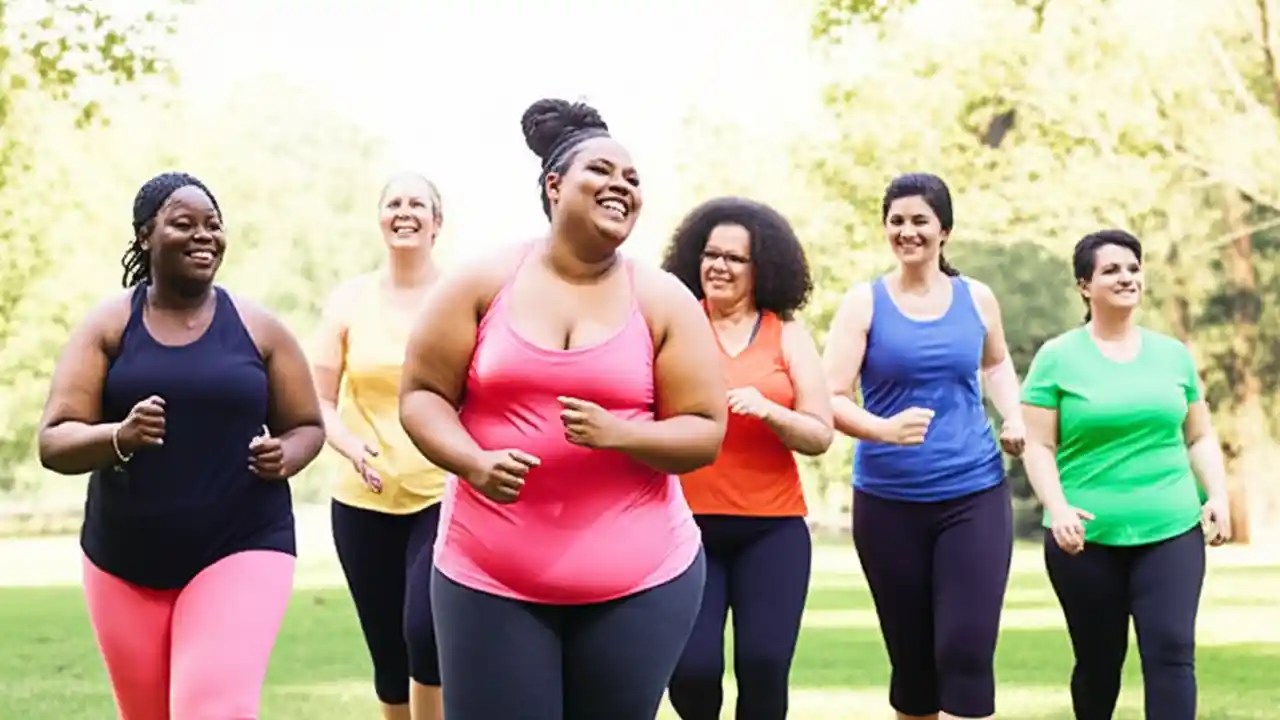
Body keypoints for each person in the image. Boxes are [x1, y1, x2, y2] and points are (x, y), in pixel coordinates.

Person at [397, 97, 726, 720]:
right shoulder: (480, 283)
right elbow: (420, 395)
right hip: (488, 579)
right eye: (601, 171)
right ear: (554, 186)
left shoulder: (662, 299)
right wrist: (472, 461)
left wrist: (620, 434)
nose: (620, 186)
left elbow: (706, 432)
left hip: (640, 582)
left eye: (632, 179)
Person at [36, 171, 325, 719]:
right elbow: (54, 440)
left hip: (242, 544)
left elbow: (307, 423)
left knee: (212, 710)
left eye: (213, 225)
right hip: (124, 559)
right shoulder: (109, 325)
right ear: (146, 235)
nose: (204, 236)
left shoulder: (259, 328)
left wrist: (286, 454)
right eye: (183, 223)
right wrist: (118, 436)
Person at [821, 172, 1026, 720]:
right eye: (897, 221)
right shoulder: (863, 304)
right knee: (912, 665)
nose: (907, 231)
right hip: (888, 502)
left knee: (965, 651)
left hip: (973, 494)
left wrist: (1014, 415)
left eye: (920, 220)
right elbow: (830, 396)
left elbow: (997, 362)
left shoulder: (976, 298)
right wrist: (882, 430)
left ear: (944, 230)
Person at [1020, 229, 1232, 720]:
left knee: (1173, 652)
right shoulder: (1058, 357)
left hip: (1171, 528)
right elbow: (1038, 445)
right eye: (1112, 270)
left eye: (1134, 268)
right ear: (1083, 285)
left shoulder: (1172, 355)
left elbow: (1198, 435)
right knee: (1099, 663)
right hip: (1085, 537)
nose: (1126, 277)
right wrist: (1057, 508)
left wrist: (1217, 494)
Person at [659, 197, 833, 720]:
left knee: (762, 664)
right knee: (691, 671)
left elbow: (819, 434)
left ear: (763, 269)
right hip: (687, 528)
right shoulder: (674, 326)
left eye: (735, 258)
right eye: (711, 254)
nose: (719, 266)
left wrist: (769, 412)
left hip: (771, 529)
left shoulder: (788, 334)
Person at [311, 172, 448, 720]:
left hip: (441, 493)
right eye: (394, 202)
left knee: (425, 630)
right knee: (388, 651)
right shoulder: (349, 300)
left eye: (418, 203)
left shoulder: (461, 296)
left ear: (438, 223)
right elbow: (317, 400)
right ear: (380, 218)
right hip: (362, 502)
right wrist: (349, 446)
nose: (405, 211)